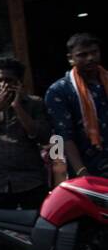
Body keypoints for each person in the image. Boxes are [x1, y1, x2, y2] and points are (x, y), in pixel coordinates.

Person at [0, 57, 50, 210]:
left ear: (19, 82)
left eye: (9, 80)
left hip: (31, 181)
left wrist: (17, 106)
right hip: (0, 183)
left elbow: (43, 136)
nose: (3, 85)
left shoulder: (35, 103)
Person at [45, 33, 108, 179]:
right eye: (83, 55)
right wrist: (82, 173)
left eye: (94, 52)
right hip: (89, 169)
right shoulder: (59, 90)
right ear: (70, 58)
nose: (90, 58)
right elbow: (64, 135)